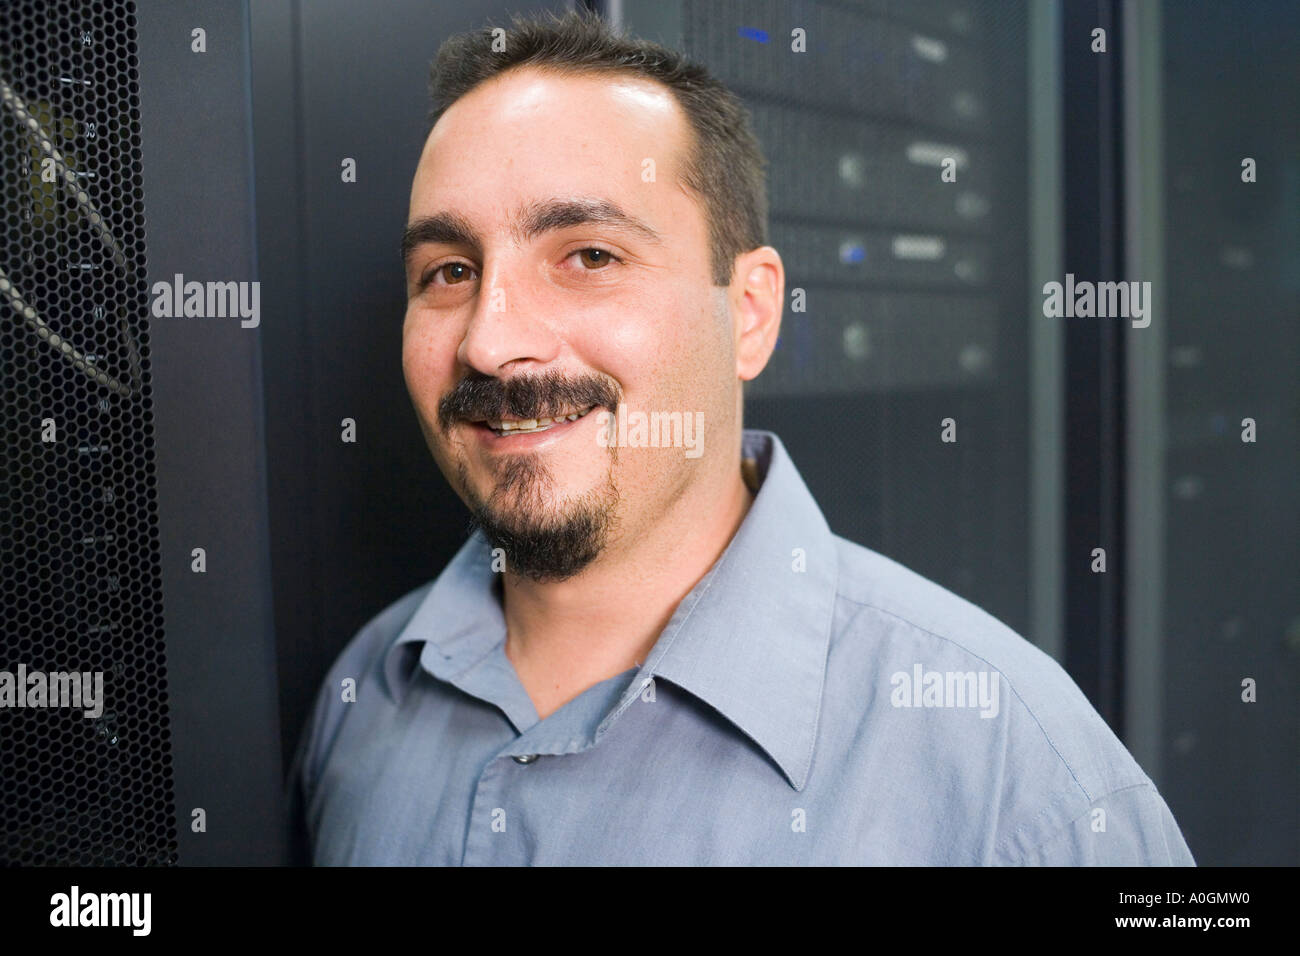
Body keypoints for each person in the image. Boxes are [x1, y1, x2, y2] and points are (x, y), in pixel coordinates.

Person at [286, 8, 1194, 865]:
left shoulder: (1014, 782)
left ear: (752, 313)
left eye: (589, 256)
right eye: (448, 271)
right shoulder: (367, 693)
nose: (490, 339)